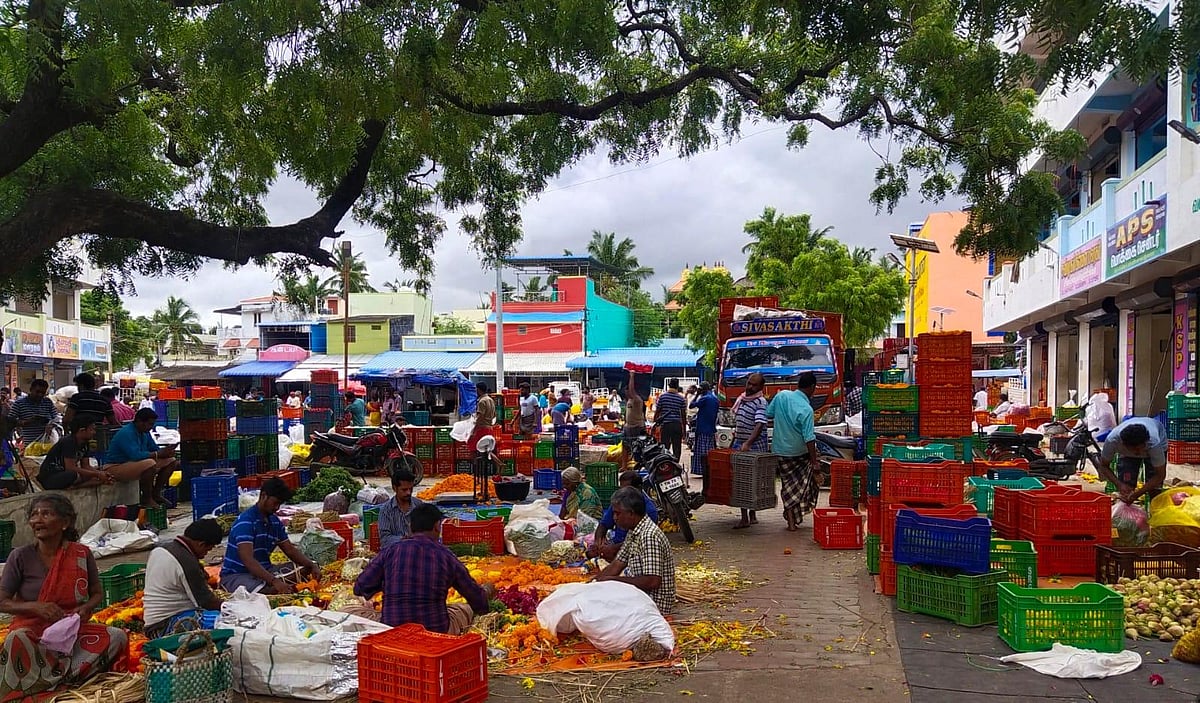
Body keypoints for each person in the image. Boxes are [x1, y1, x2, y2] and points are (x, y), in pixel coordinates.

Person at [0, 495, 128, 699]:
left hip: (70, 634)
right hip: (34, 635)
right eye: (34, 515)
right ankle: (47, 685)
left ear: (65, 523)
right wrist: (36, 607)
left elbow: (96, 593)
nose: (37, 520)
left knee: (117, 636)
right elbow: (2, 601)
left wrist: (86, 608)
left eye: (46, 514)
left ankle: (58, 680)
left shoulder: (81, 554)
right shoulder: (20, 557)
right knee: (17, 639)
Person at [354, 503, 491, 633]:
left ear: (410, 527)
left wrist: (386, 583)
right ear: (437, 526)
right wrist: (485, 600)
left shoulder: (391, 551)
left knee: (350, 610)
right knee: (462, 609)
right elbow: (477, 599)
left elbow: (360, 587)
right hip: (434, 633)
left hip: (393, 632)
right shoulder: (446, 556)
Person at [220, 478, 319, 594]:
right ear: (263, 496)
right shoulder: (245, 522)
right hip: (238, 574)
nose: (277, 508)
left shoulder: (274, 521)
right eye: (275, 503)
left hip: (266, 571)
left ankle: (274, 585)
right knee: (261, 591)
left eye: (279, 504)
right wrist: (274, 581)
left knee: (304, 568)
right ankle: (272, 588)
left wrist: (311, 565)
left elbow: (290, 550)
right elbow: (248, 559)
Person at [594, 487, 676, 614]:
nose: (614, 518)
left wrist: (612, 581)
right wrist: (594, 583)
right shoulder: (633, 531)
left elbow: (652, 581)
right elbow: (617, 563)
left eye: (617, 513)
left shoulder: (649, 536)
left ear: (631, 513)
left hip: (653, 604)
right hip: (640, 596)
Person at [143, 519, 224, 638]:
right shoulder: (186, 562)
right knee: (224, 621)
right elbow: (207, 602)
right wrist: (230, 607)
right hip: (166, 626)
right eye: (208, 549)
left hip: (153, 622)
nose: (206, 554)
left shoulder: (163, 549)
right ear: (201, 544)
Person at [767, 372, 820, 532]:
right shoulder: (807, 409)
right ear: (812, 388)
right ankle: (793, 520)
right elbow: (809, 438)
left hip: (780, 450)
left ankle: (792, 519)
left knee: (787, 485)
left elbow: (768, 413)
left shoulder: (781, 396)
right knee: (802, 486)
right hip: (799, 454)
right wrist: (814, 461)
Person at [103, 408, 178, 508]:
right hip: (115, 467)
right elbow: (135, 456)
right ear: (139, 422)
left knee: (171, 461)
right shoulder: (126, 433)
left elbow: (154, 449)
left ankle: (156, 494)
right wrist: (157, 454)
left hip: (133, 464)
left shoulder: (145, 433)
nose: (151, 428)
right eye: (149, 424)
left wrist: (166, 452)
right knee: (150, 463)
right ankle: (146, 499)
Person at [590, 471, 660, 561]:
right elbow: (604, 524)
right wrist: (598, 542)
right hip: (619, 547)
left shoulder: (650, 512)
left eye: (627, 489)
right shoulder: (620, 502)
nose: (615, 518)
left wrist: (614, 548)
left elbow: (636, 543)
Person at [1098, 417, 1168, 505]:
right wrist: (1119, 484)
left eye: (1140, 449)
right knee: (1126, 486)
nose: (1138, 453)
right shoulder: (1112, 441)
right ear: (1123, 445)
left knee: (1154, 489)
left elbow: (1160, 475)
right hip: (1127, 454)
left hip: (1156, 440)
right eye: (1134, 450)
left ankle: (1154, 512)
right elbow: (1103, 466)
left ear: (1146, 442)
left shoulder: (1154, 444)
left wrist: (1138, 494)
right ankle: (1126, 516)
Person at [731, 372, 769, 529]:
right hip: (740, 443)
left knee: (747, 482)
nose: (750, 387)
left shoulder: (760, 402)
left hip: (753, 447)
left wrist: (748, 443)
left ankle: (747, 517)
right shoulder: (742, 399)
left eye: (754, 385)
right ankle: (749, 515)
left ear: (761, 387)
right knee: (743, 481)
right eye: (749, 383)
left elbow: (759, 425)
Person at [38, 418, 113, 490]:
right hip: (51, 476)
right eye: (91, 429)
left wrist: (101, 473)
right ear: (82, 430)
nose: (94, 432)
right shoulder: (69, 442)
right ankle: (77, 486)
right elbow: (70, 467)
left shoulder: (85, 443)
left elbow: (86, 466)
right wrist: (96, 474)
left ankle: (78, 484)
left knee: (92, 475)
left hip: (64, 473)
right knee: (73, 475)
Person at [377, 468, 424, 549]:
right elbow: (384, 540)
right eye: (404, 490)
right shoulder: (386, 510)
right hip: (395, 552)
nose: (408, 493)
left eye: (411, 489)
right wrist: (403, 539)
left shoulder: (419, 505)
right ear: (394, 488)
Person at [8, 379, 59, 446]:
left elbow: (56, 418)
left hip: (47, 443)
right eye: (37, 392)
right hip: (30, 444)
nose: (40, 395)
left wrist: (52, 425)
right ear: (31, 389)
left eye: (43, 393)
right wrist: (27, 422)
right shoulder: (19, 404)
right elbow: (9, 422)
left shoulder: (47, 402)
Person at [690, 382, 719, 495]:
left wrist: (697, 395)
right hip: (711, 428)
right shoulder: (714, 398)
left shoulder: (705, 398)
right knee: (710, 451)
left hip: (703, 429)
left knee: (703, 453)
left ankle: (704, 472)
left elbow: (691, 405)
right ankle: (709, 472)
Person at [655, 381, 686, 461]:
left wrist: (656, 420)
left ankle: (665, 464)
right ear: (677, 386)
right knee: (677, 447)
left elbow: (658, 410)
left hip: (666, 425)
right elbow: (683, 416)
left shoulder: (662, 397)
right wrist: (684, 431)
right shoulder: (681, 398)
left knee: (665, 446)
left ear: (669, 386)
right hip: (676, 425)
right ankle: (676, 464)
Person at [624, 370, 645, 437]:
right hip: (629, 427)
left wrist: (632, 376)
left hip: (636, 427)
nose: (626, 393)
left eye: (627, 391)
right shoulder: (629, 400)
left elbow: (632, 390)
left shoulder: (637, 399)